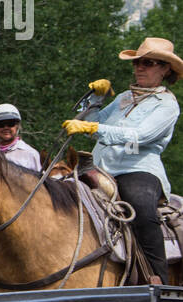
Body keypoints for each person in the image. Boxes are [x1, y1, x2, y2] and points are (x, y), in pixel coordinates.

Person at [63, 36, 182, 284]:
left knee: (141, 207)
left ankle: (157, 280)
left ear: (165, 69)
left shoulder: (168, 105)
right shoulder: (123, 98)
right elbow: (94, 118)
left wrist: (93, 128)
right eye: (137, 62)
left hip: (137, 170)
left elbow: (138, 136)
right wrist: (97, 98)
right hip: (98, 168)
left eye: (148, 63)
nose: (140, 67)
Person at [0, 103, 42, 171]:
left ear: (17, 126)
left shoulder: (30, 154)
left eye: (10, 123)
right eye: (0, 124)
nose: (6, 128)